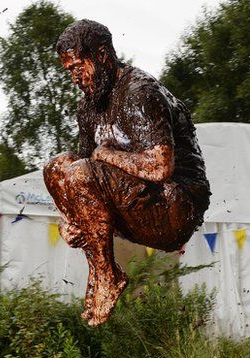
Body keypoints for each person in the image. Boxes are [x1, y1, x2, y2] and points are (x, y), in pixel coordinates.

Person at [43, 19, 211, 326]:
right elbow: (81, 174)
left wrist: (107, 154)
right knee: (56, 169)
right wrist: (69, 221)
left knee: (81, 173)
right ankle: (104, 272)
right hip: (134, 204)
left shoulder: (139, 92)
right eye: (69, 70)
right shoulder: (88, 108)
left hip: (175, 206)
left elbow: (160, 167)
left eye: (79, 67)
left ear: (102, 55)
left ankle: (106, 275)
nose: (75, 78)